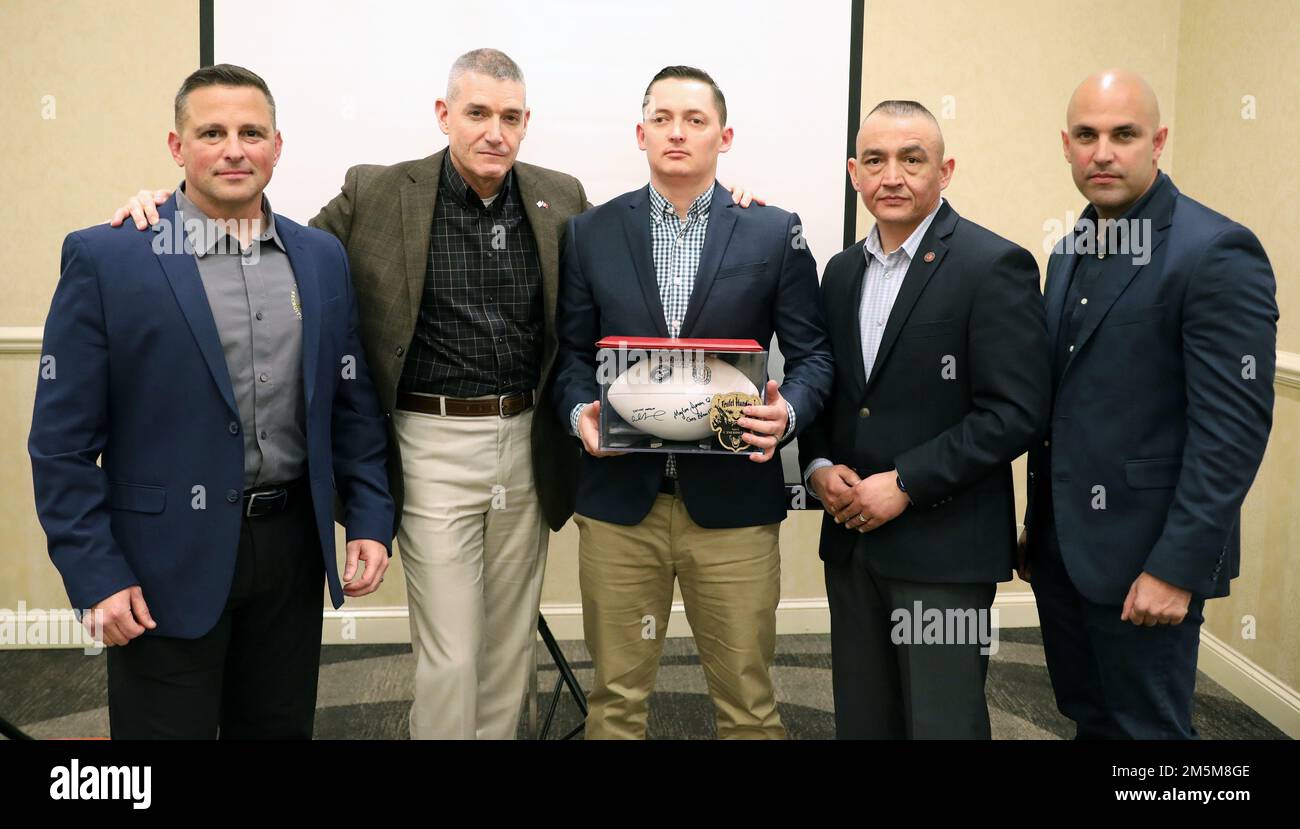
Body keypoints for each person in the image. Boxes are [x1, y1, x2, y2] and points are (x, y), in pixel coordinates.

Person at [110, 48, 761, 740]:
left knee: (509, 651)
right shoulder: (379, 192)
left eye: (510, 117)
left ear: (526, 122)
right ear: (444, 114)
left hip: (527, 444)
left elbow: (630, 260)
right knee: (451, 654)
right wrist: (168, 206)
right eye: (477, 113)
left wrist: (726, 213)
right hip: (429, 444)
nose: (494, 132)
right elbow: (281, 251)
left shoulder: (559, 196)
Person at [29, 64, 394, 739]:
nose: (234, 148)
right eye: (212, 132)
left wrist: (369, 515)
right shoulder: (109, 257)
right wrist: (95, 573)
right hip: (158, 564)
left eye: (252, 132)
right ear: (177, 148)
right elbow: (61, 443)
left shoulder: (321, 259)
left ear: (277, 147)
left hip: (290, 555)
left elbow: (352, 404)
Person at [552, 66, 834, 739]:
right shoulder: (588, 232)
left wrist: (787, 412)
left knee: (748, 701)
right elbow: (568, 355)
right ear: (641, 131)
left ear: (724, 135)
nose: (677, 131)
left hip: (733, 506)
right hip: (622, 506)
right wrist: (578, 413)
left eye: (695, 119)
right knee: (615, 701)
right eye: (663, 118)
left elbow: (816, 356)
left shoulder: (773, 232)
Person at [1024, 70, 1277, 739]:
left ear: (1158, 141)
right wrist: (1037, 524)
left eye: (1123, 134)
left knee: (1149, 736)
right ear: (1066, 145)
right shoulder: (1068, 249)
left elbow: (1231, 432)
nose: (1102, 151)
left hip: (1148, 561)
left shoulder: (1215, 250)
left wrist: (1176, 567)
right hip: (1063, 553)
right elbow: (1065, 408)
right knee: (1089, 717)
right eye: (1087, 135)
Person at [799, 100, 1051, 739]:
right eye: (877, 161)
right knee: (865, 720)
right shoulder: (840, 271)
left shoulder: (993, 265)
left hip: (946, 553)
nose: (893, 176)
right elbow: (835, 393)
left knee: (943, 723)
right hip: (853, 545)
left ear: (946, 171)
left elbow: (1015, 412)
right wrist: (819, 464)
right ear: (855, 173)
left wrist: (904, 482)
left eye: (913, 159)